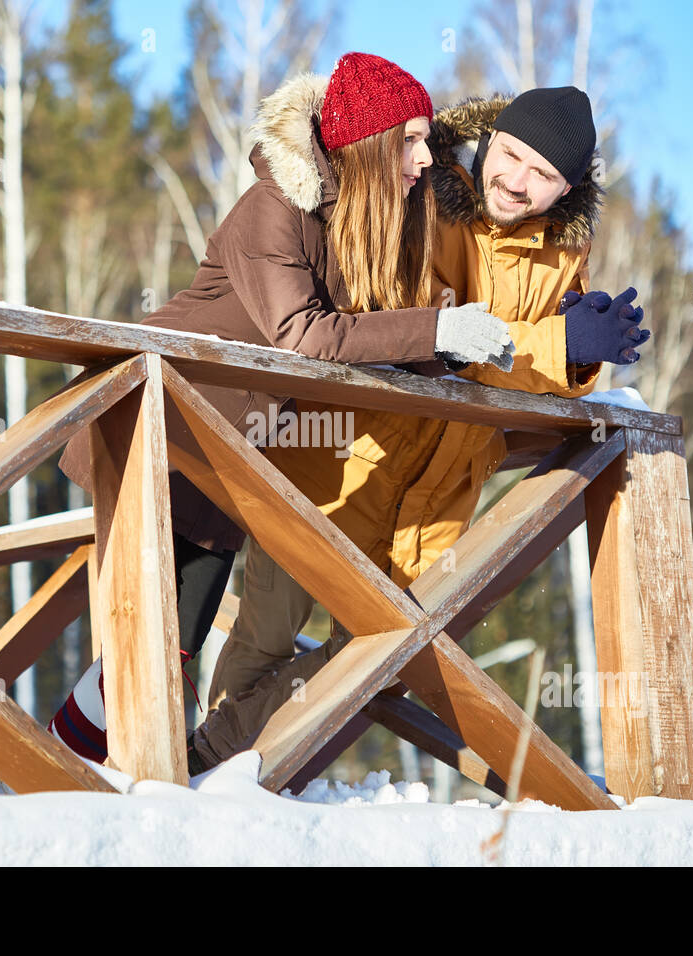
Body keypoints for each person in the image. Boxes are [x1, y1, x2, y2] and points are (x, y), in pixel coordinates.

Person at [47, 52, 517, 765]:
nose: (425, 157)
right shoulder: (272, 208)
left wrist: (449, 355)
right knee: (147, 641)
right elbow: (307, 336)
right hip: (159, 429)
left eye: (427, 140)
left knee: (168, 646)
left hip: (228, 453)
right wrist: (438, 328)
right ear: (366, 143)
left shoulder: (350, 221)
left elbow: (369, 335)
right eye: (410, 140)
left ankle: (85, 770)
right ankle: (75, 773)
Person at [191, 86, 651, 774]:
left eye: (545, 176)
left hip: (438, 500)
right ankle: (230, 776)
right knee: (264, 632)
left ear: (570, 187)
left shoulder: (563, 255)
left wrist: (577, 356)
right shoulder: (422, 199)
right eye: (513, 155)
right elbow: (420, 333)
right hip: (342, 461)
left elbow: (509, 375)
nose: (519, 183)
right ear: (491, 138)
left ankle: (222, 761)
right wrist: (553, 344)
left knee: (383, 654)